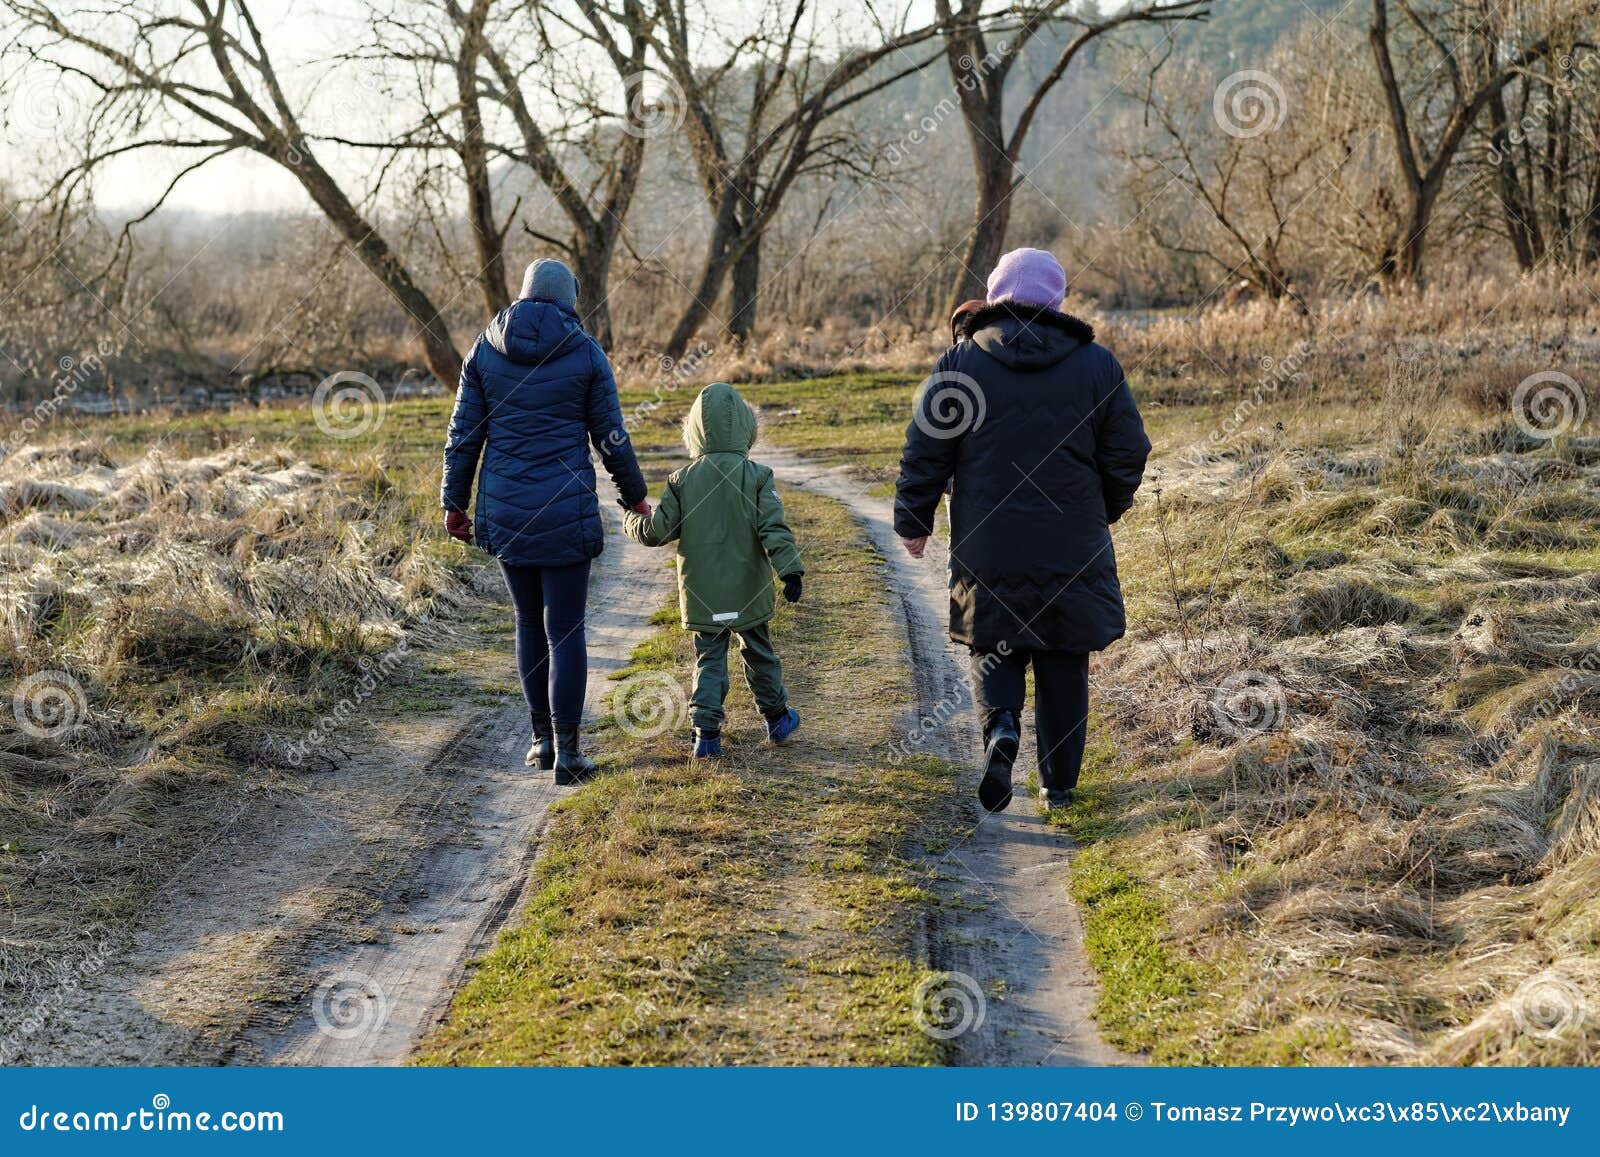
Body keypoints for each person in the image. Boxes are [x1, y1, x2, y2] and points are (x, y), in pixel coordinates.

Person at [893, 248, 1150, 813]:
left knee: (995, 645)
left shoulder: (961, 364)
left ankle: (1001, 733)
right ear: (1057, 300)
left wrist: (915, 520)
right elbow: (1129, 451)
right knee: (1063, 657)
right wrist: (1103, 507)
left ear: (995, 296)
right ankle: (1059, 788)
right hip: (1073, 545)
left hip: (988, 545)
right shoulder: (1097, 366)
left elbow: (925, 449)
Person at [441, 258, 650, 786]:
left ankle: (541, 742)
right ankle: (570, 753)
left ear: (525, 294)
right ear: (568, 301)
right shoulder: (584, 352)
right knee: (567, 628)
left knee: (529, 623)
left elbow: (464, 436)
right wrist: (634, 495)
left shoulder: (485, 350)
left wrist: (454, 502)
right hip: (564, 507)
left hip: (508, 510)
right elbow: (611, 437)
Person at [624, 382, 804, 760]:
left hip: (702, 593)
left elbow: (657, 531)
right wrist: (790, 571)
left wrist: (630, 521)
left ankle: (706, 736)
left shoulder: (681, 480)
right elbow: (774, 528)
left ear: (693, 431)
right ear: (746, 427)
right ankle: (777, 720)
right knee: (760, 654)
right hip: (748, 589)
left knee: (709, 661)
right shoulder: (757, 476)